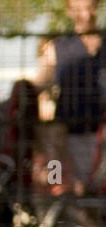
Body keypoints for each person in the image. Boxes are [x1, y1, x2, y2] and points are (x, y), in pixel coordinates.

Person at [35, 0, 105, 195]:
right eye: (79, 8)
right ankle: (62, 208)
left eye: (90, 7)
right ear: (69, 11)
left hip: (101, 138)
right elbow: (37, 87)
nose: (86, 14)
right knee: (56, 184)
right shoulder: (57, 47)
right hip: (68, 138)